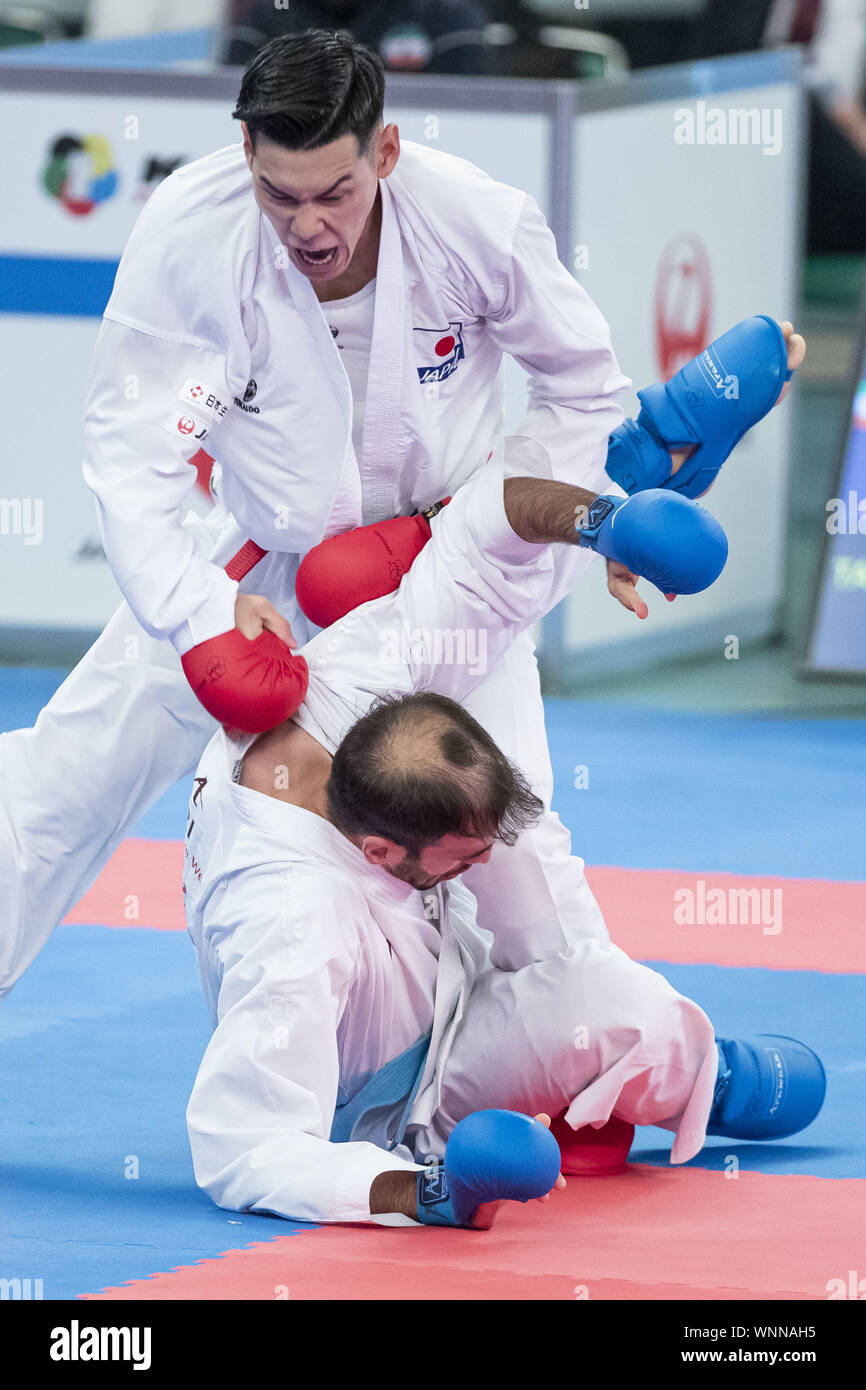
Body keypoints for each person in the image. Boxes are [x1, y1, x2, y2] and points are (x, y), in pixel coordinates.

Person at [0, 30, 804, 1004]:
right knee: (61, 783)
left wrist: (573, 510)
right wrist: (199, 619)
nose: (305, 224)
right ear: (244, 154)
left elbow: (582, 389)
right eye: (278, 193)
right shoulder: (189, 234)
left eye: (332, 191)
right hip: (262, 572)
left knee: (512, 853)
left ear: (382, 151)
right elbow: (131, 462)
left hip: (442, 569)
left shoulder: (473, 220)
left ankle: (625, 1058)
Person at [183, 466, 825, 1228]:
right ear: (382, 854)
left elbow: (484, 526)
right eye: (463, 857)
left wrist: (604, 523)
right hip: (408, 1077)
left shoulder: (362, 668)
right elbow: (243, 1151)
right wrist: (430, 1193)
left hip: (443, 952)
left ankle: (656, 1080)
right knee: (613, 999)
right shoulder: (288, 929)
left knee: (560, 902)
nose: (483, 863)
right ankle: (617, 1088)